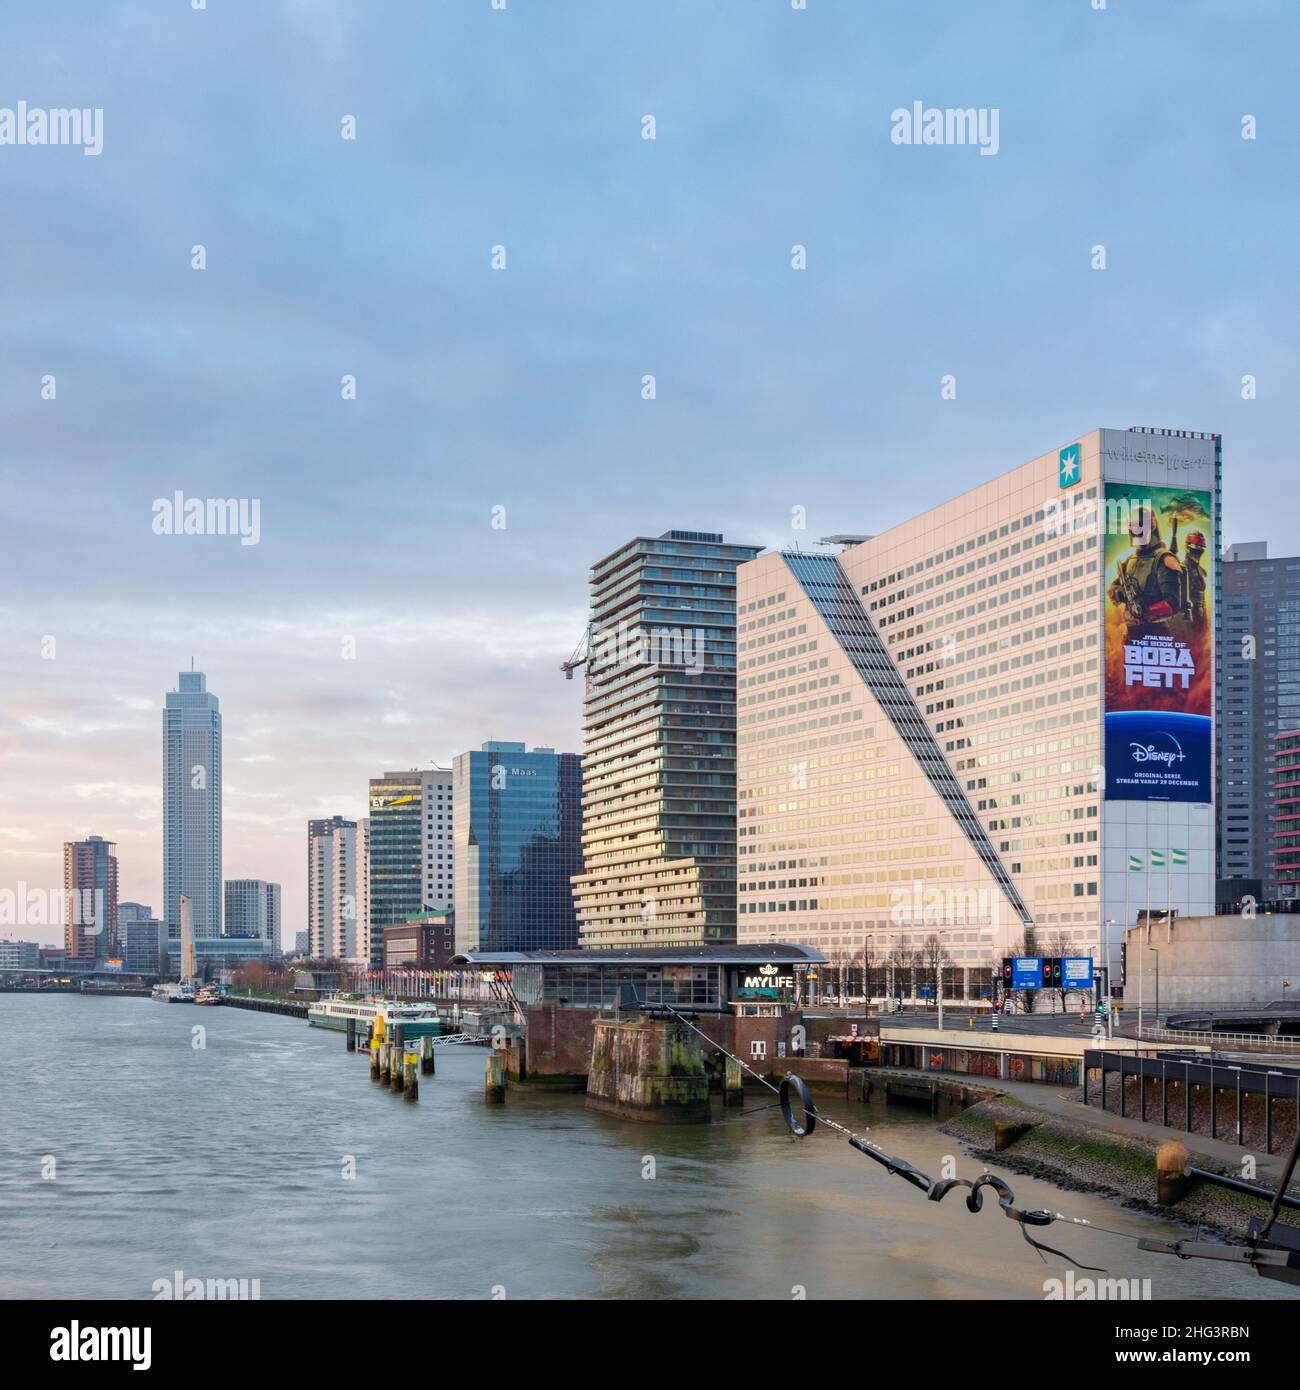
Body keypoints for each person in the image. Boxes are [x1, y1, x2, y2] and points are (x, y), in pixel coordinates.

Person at [1109, 507, 1185, 637]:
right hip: (1131, 634)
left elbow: (1172, 603)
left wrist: (1146, 612)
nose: (1137, 530)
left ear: (1152, 525)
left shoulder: (1165, 560)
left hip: (1157, 634)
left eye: (1140, 525)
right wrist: (1118, 593)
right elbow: (1112, 590)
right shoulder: (1130, 561)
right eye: (1133, 526)